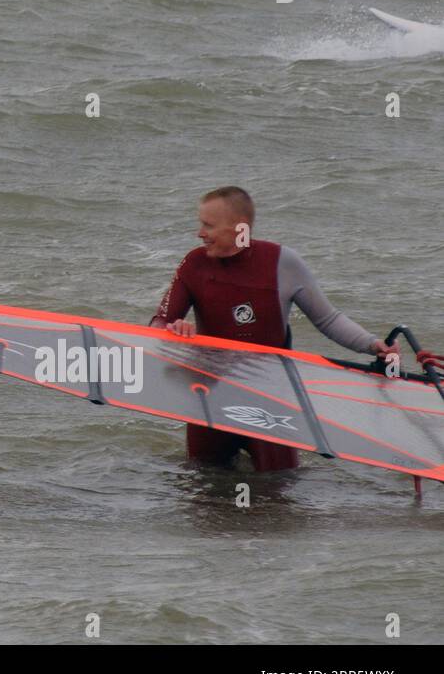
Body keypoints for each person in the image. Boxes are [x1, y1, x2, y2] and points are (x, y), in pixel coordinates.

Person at [150, 186, 415, 471]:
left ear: (239, 228)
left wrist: (373, 345)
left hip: (271, 401)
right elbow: (158, 322)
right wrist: (173, 331)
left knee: (279, 495)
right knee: (205, 493)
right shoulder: (194, 264)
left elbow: (327, 319)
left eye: (208, 225)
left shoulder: (281, 262)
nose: (199, 233)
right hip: (210, 397)